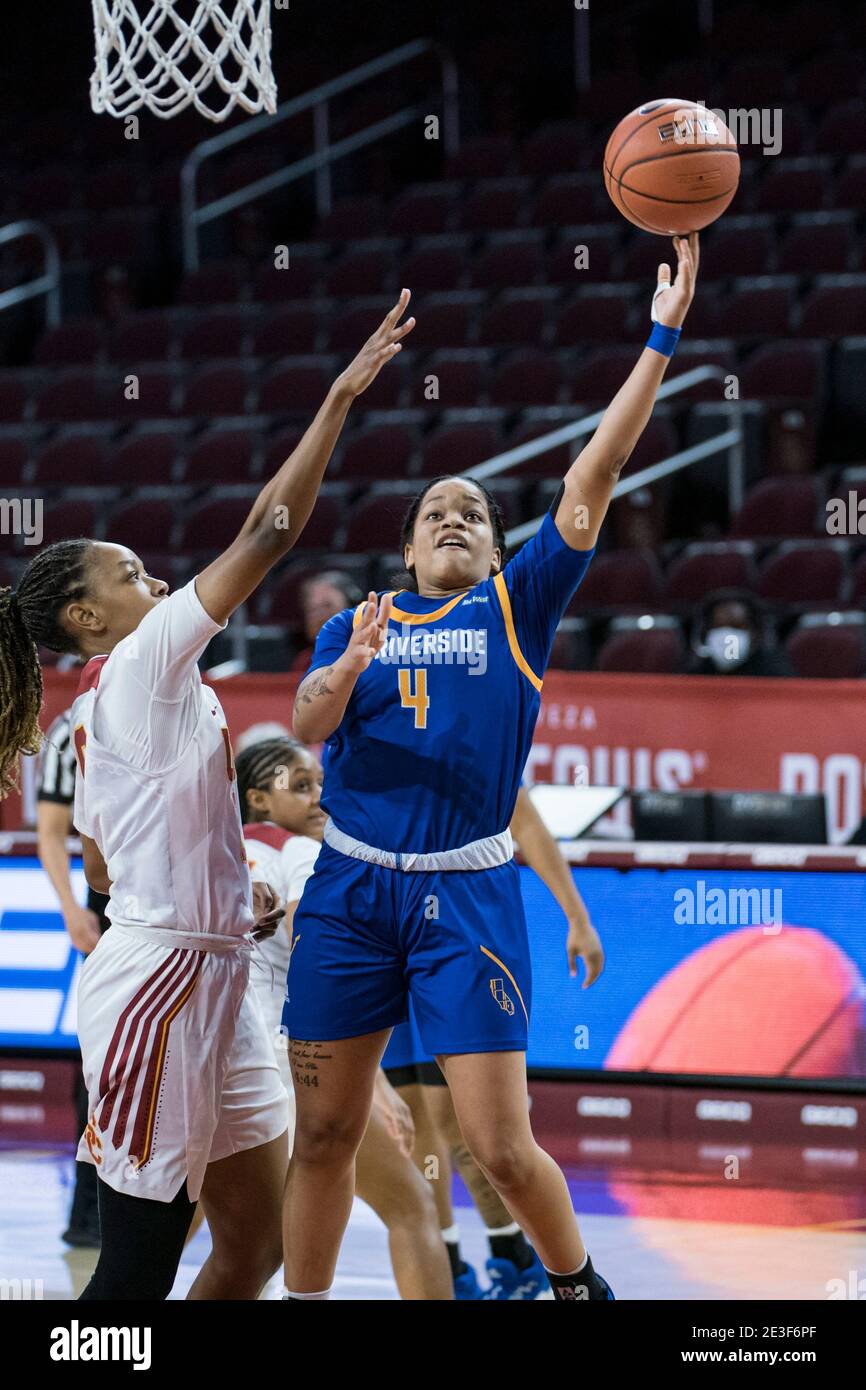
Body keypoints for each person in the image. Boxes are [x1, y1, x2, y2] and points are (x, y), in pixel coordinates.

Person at [283, 236, 700, 1302]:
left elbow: (593, 471)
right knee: (324, 1131)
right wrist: (355, 660)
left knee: (497, 1147)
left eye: (470, 508)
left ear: (493, 543)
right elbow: (307, 720)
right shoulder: (358, 623)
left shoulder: (516, 603)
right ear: (408, 552)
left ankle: (575, 1285)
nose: (452, 516)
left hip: (466, 890)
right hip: (348, 886)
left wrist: (660, 336)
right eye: (433, 511)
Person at [0, 290, 415, 1300]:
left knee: (254, 1240)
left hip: (219, 977)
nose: (156, 582)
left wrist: (235, 897)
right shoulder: (139, 661)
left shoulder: (143, 692)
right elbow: (268, 532)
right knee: (134, 1269)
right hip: (159, 989)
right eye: (132, 574)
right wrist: (337, 401)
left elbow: (125, 847)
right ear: (85, 617)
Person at [236, 735, 452, 1299]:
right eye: (300, 786)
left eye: (321, 785)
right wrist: (372, 1082)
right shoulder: (305, 854)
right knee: (412, 1205)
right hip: (288, 1059)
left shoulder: (213, 850)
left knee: (224, 1239)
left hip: (222, 1060)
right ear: (258, 798)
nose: (319, 799)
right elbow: (321, 970)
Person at [382, 785, 604, 1300]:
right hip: (381, 926)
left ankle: (517, 1255)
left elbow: (524, 820)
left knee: (467, 1125)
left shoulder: (474, 726)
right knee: (411, 1119)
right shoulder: (357, 723)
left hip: (456, 928)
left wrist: (578, 917)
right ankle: (452, 1265)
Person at [36, 706, 110, 1248]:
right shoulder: (73, 724)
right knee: (101, 1058)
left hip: (176, 901)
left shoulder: (184, 688)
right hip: (110, 904)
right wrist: (70, 908)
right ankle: (89, 1214)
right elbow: (51, 830)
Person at [687, 589, 795, 676]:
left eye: (737, 627)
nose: (727, 636)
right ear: (706, 632)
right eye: (719, 627)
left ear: (755, 633)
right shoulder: (695, 673)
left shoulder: (776, 676)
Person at [289, 572, 364, 674]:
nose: (319, 616)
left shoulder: (376, 657)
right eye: (312, 609)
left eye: (327, 606)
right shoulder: (305, 662)